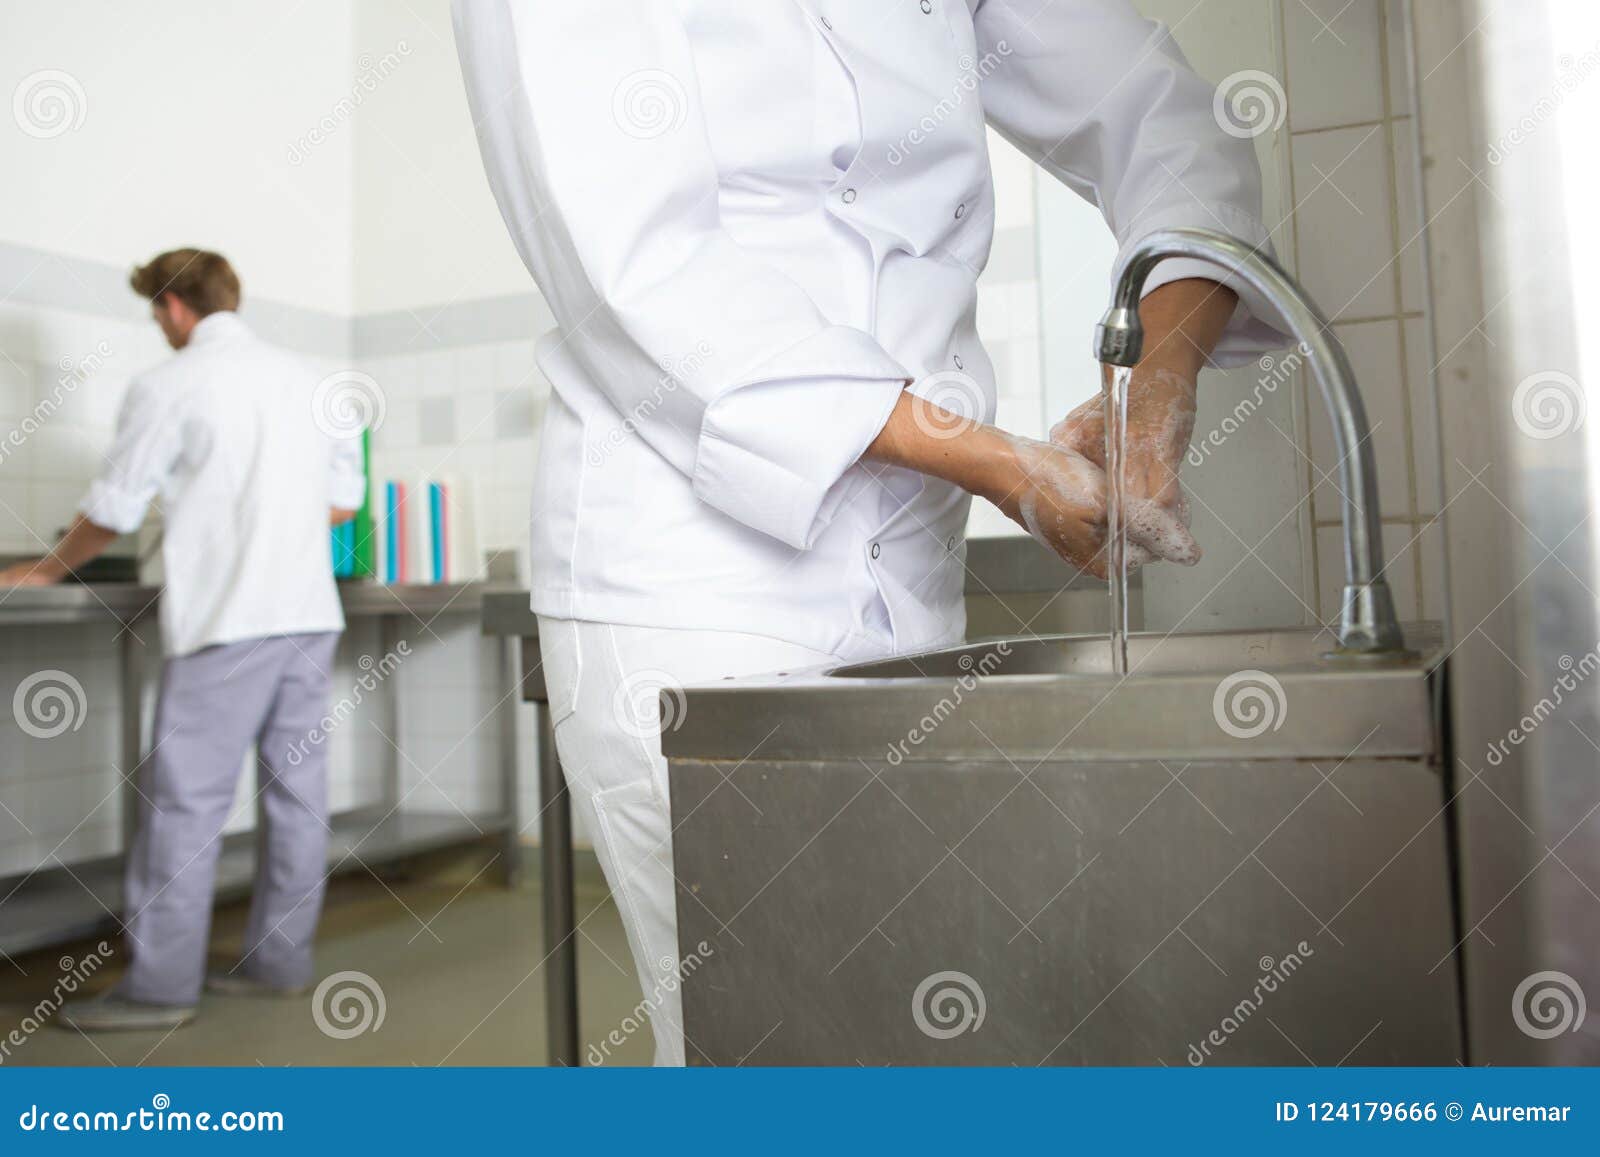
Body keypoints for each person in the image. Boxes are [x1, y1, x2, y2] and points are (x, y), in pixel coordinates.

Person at [452, 0, 1289, 1064]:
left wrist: (1156, 382)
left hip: (916, 582)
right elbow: (639, 273)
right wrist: (987, 457)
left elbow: (1165, 123)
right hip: (698, 582)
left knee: (898, 1035)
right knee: (766, 1049)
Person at [0, 249, 367, 1030]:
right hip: (306, 614)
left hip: (229, 623)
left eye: (155, 313)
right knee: (298, 798)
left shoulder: (171, 384)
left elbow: (115, 508)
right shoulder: (308, 382)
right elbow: (342, 503)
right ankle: (279, 962)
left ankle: (159, 988)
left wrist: (45, 567)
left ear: (172, 308)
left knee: (186, 803)